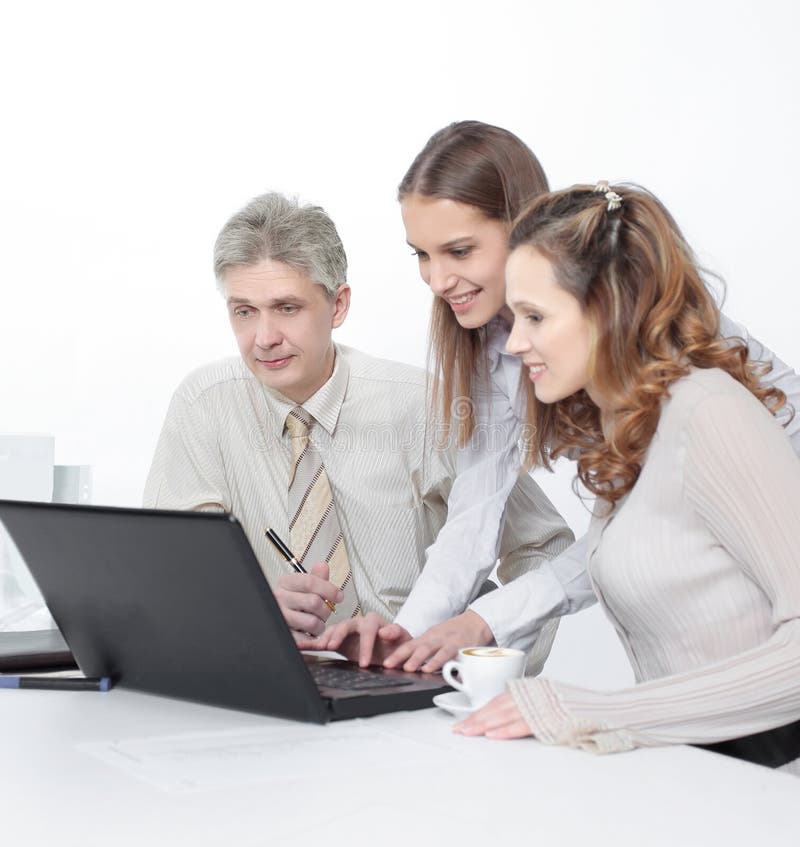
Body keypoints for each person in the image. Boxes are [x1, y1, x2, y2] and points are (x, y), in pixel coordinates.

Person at [316, 120, 800, 672]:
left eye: (459, 250)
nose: (437, 280)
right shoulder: (494, 342)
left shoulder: (646, 333)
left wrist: (488, 618)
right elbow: (475, 517)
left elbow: (628, 528)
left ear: (522, 229)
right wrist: (408, 636)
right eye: (421, 256)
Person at [455, 182, 800, 774]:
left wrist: (599, 711)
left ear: (609, 309)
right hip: (700, 777)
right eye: (516, 317)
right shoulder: (636, 427)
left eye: (536, 316)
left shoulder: (708, 411)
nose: (515, 342)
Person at [143, 191, 573, 660]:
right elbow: (169, 579)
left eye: (287, 308)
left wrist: (479, 672)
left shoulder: (426, 406)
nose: (264, 339)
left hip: (408, 687)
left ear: (339, 305)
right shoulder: (204, 405)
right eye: (244, 311)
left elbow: (543, 545)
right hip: (265, 679)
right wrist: (249, 608)